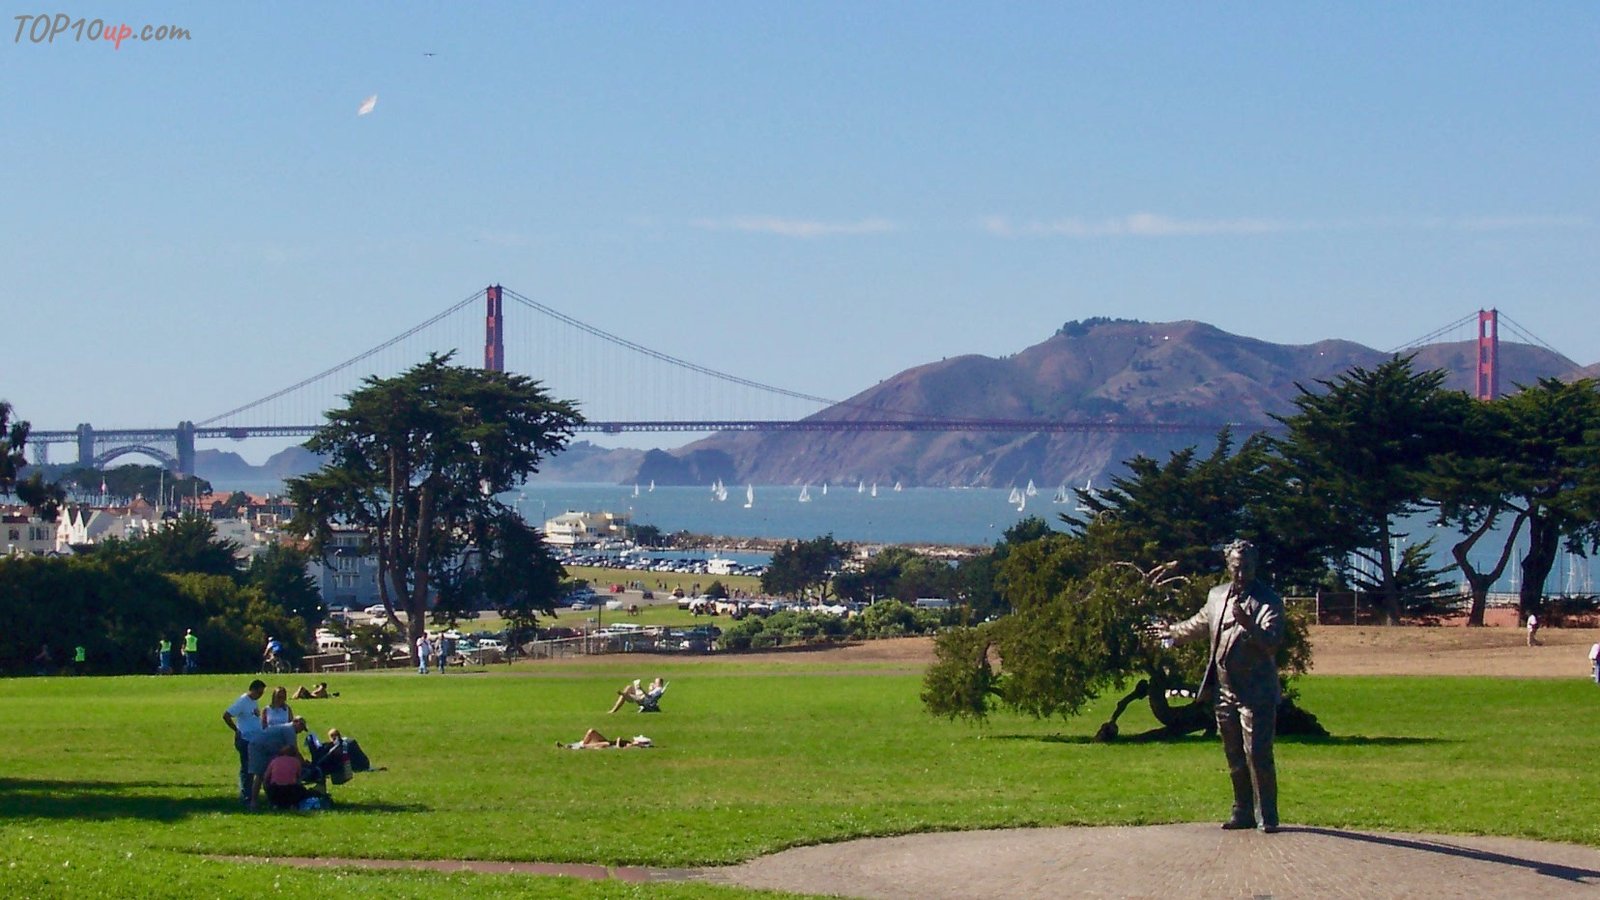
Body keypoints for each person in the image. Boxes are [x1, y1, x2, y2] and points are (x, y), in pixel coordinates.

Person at [1153, 539, 1285, 834]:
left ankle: (1268, 814)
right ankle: (1242, 811)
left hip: (1256, 692)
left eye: (1247, 568)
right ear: (1228, 566)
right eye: (1237, 568)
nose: (1241, 574)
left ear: (1255, 567)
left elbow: (1271, 642)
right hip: (1224, 690)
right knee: (1234, 755)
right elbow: (1199, 624)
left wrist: (1249, 625)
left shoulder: (1268, 601)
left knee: (1258, 754)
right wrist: (1171, 632)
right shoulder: (1217, 596)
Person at [246, 716, 309, 810]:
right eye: (301, 728)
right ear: (296, 723)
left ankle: (271, 800)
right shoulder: (289, 730)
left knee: (268, 775)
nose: (300, 731)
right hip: (258, 748)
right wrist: (303, 763)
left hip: (267, 750)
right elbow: (293, 750)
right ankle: (253, 802)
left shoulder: (286, 729)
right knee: (259, 775)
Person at [222, 679, 267, 804]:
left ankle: (250, 793)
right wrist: (236, 730)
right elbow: (226, 715)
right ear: (252, 689)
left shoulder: (253, 701)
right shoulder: (243, 701)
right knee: (247, 768)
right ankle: (245, 795)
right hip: (245, 740)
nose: (260, 695)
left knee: (252, 768)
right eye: (259, 693)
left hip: (254, 740)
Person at [262, 745, 312, 810]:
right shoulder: (296, 761)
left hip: (275, 789)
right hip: (290, 789)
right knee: (301, 789)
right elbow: (298, 777)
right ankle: (292, 804)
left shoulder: (274, 761)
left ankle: (275, 803)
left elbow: (266, 777)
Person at [558, 728, 651, 749]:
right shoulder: (630, 743)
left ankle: (574, 747)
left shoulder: (632, 747)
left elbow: (618, 749)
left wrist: (618, 741)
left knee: (604, 744)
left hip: (609, 745)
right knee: (591, 731)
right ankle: (579, 745)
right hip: (608, 742)